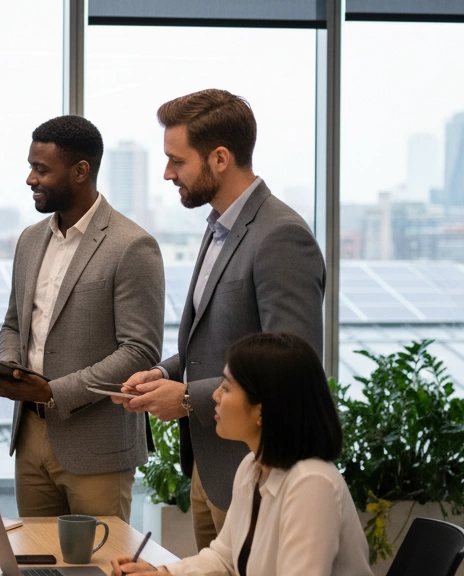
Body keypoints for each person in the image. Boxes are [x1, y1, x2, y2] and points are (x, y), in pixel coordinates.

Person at [117, 89, 325, 549]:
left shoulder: (281, 236)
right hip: (211, 468)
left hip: (257, 467)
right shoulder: (218, 227)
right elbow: (217, 343)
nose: (167, 173)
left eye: (177, 160)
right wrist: (162, 375)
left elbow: (294, 365)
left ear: (220, 158)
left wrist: (188, 397)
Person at [0, 115, 165, 522]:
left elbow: (140, 351)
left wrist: (51, 392)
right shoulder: (28, 239)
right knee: (33, 564)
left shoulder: (132, 245)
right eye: (30, 167)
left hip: (96, 445)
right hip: (29, 437)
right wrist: (9, 370)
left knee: (98, 565)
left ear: (81, 171)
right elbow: (13, 323)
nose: (30, 179)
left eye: (41, 169)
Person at [112, 333, 370, 576]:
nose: (214, 395)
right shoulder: (253, 466)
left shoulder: (312, 483)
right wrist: (163, 572)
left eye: (226, 387)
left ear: (262, 409)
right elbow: (224, 558)